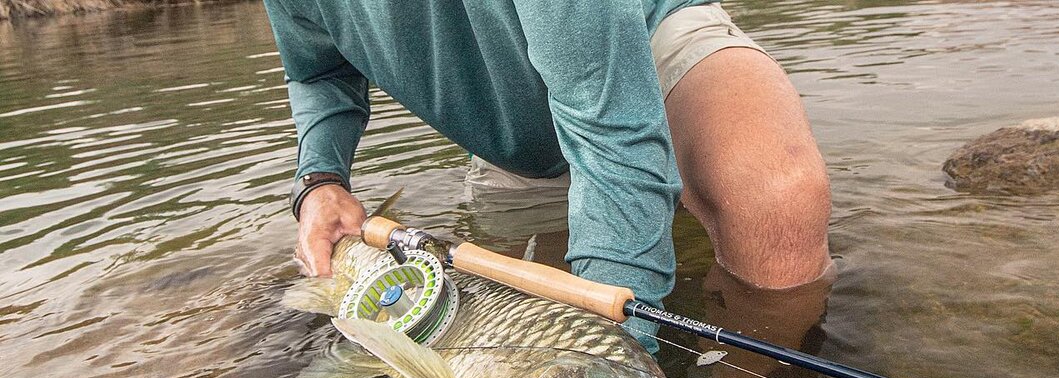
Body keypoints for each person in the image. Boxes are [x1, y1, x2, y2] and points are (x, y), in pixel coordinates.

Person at [264, 0, 832, 346]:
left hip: (644, 34)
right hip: (518, 133)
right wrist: (321, 180)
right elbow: (318, 71)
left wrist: (613, 368)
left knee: (775, 195)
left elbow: (614, 137)